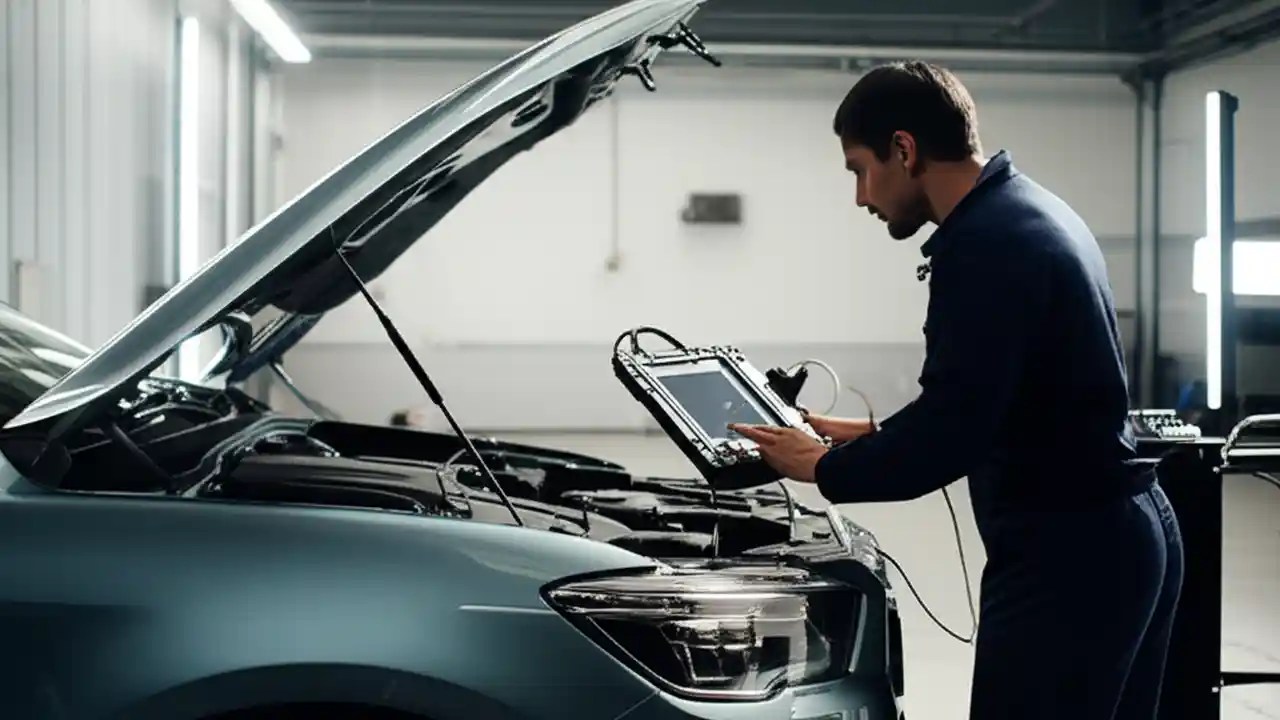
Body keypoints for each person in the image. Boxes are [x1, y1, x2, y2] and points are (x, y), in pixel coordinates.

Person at [729, 61, 1184, 720]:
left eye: (860, 169)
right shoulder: (1028, 209)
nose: (861, 196)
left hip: (1069, 556)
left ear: (904, 149)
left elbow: (950, 437)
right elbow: (990, 397)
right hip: (1125, 530)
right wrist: (863, 434)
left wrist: (821, 467)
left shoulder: (984, 245)